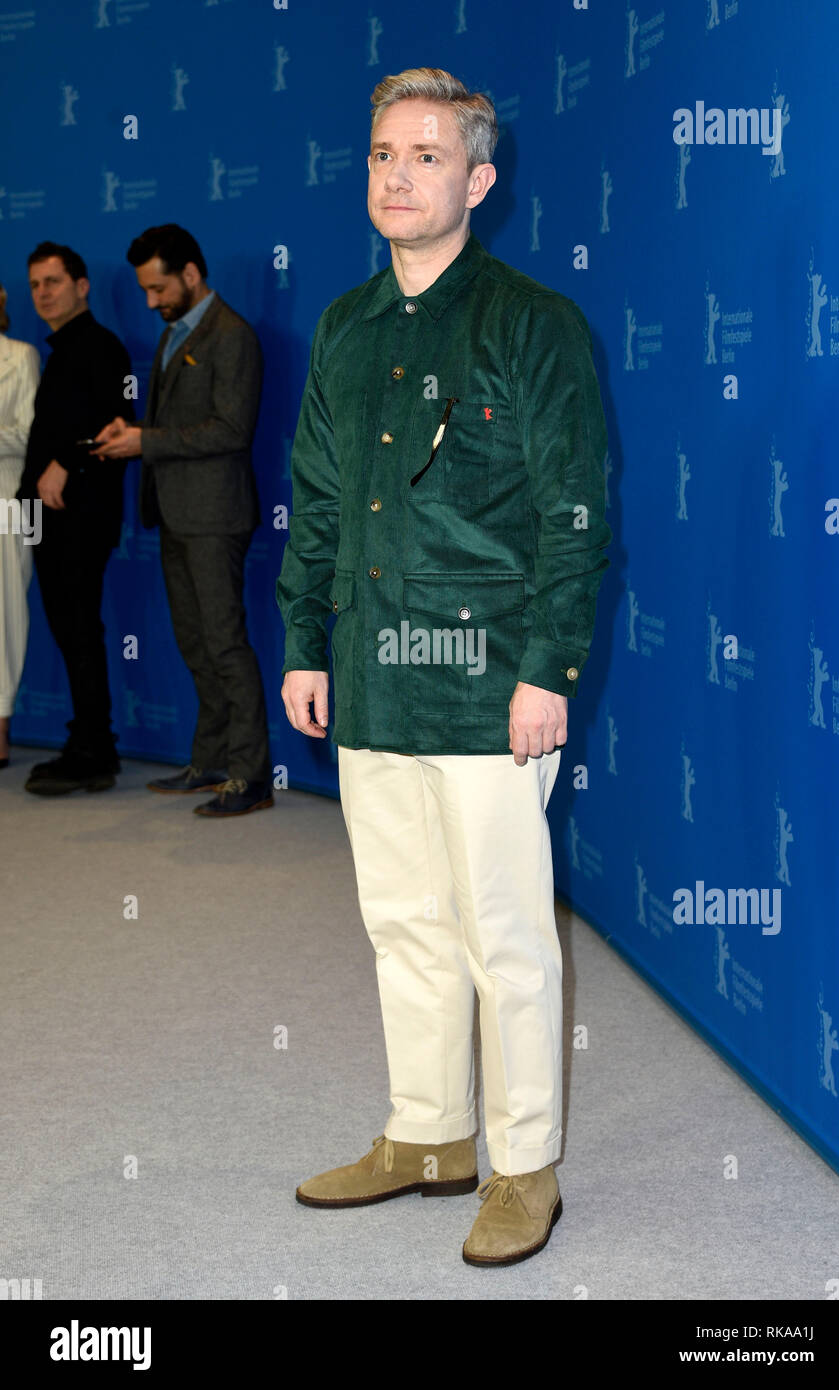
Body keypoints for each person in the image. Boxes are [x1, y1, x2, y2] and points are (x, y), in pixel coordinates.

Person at [276, 68, 612, 1266]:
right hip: (372, 678)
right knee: (402, 922)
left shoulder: (535, 323)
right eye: (380, 155)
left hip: (489, 687)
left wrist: (547, 672)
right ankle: (430, 1134)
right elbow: (317, 498)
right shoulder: (346, 325)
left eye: (424, 157)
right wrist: (306, 642)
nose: (396, 176)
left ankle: (524, 1163)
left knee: (506, 939)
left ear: (478, 180)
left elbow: (575, 514)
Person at [94, 224, 272, 818]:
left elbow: (231, 430)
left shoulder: (233, 335)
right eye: (145, 290)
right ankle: (213, 759)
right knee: (195, 643)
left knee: (224, 643)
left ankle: (251, 776)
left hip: (216, 515)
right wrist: (136, 437)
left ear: (191, 274)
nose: (150, 301)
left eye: (158, 287)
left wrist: (146, 440)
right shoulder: (175, 333)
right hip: (176, 513)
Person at [17, 242, 133, 795]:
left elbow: (117, 423)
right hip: (51, 518)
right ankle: (90, 743)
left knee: (80, 632)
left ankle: (92, 749)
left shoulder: (99, 347)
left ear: (82, 286)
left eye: (53, 282)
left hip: (80, 517)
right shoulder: (61, 350)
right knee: (72, 632)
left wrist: (66, 462)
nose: (43, 293)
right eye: (36, 284)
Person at [0, 281, 40, 769]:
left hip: (11, 501)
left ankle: (2, 727)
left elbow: (32, 433)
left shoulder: (22, 356)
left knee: (7, 615)